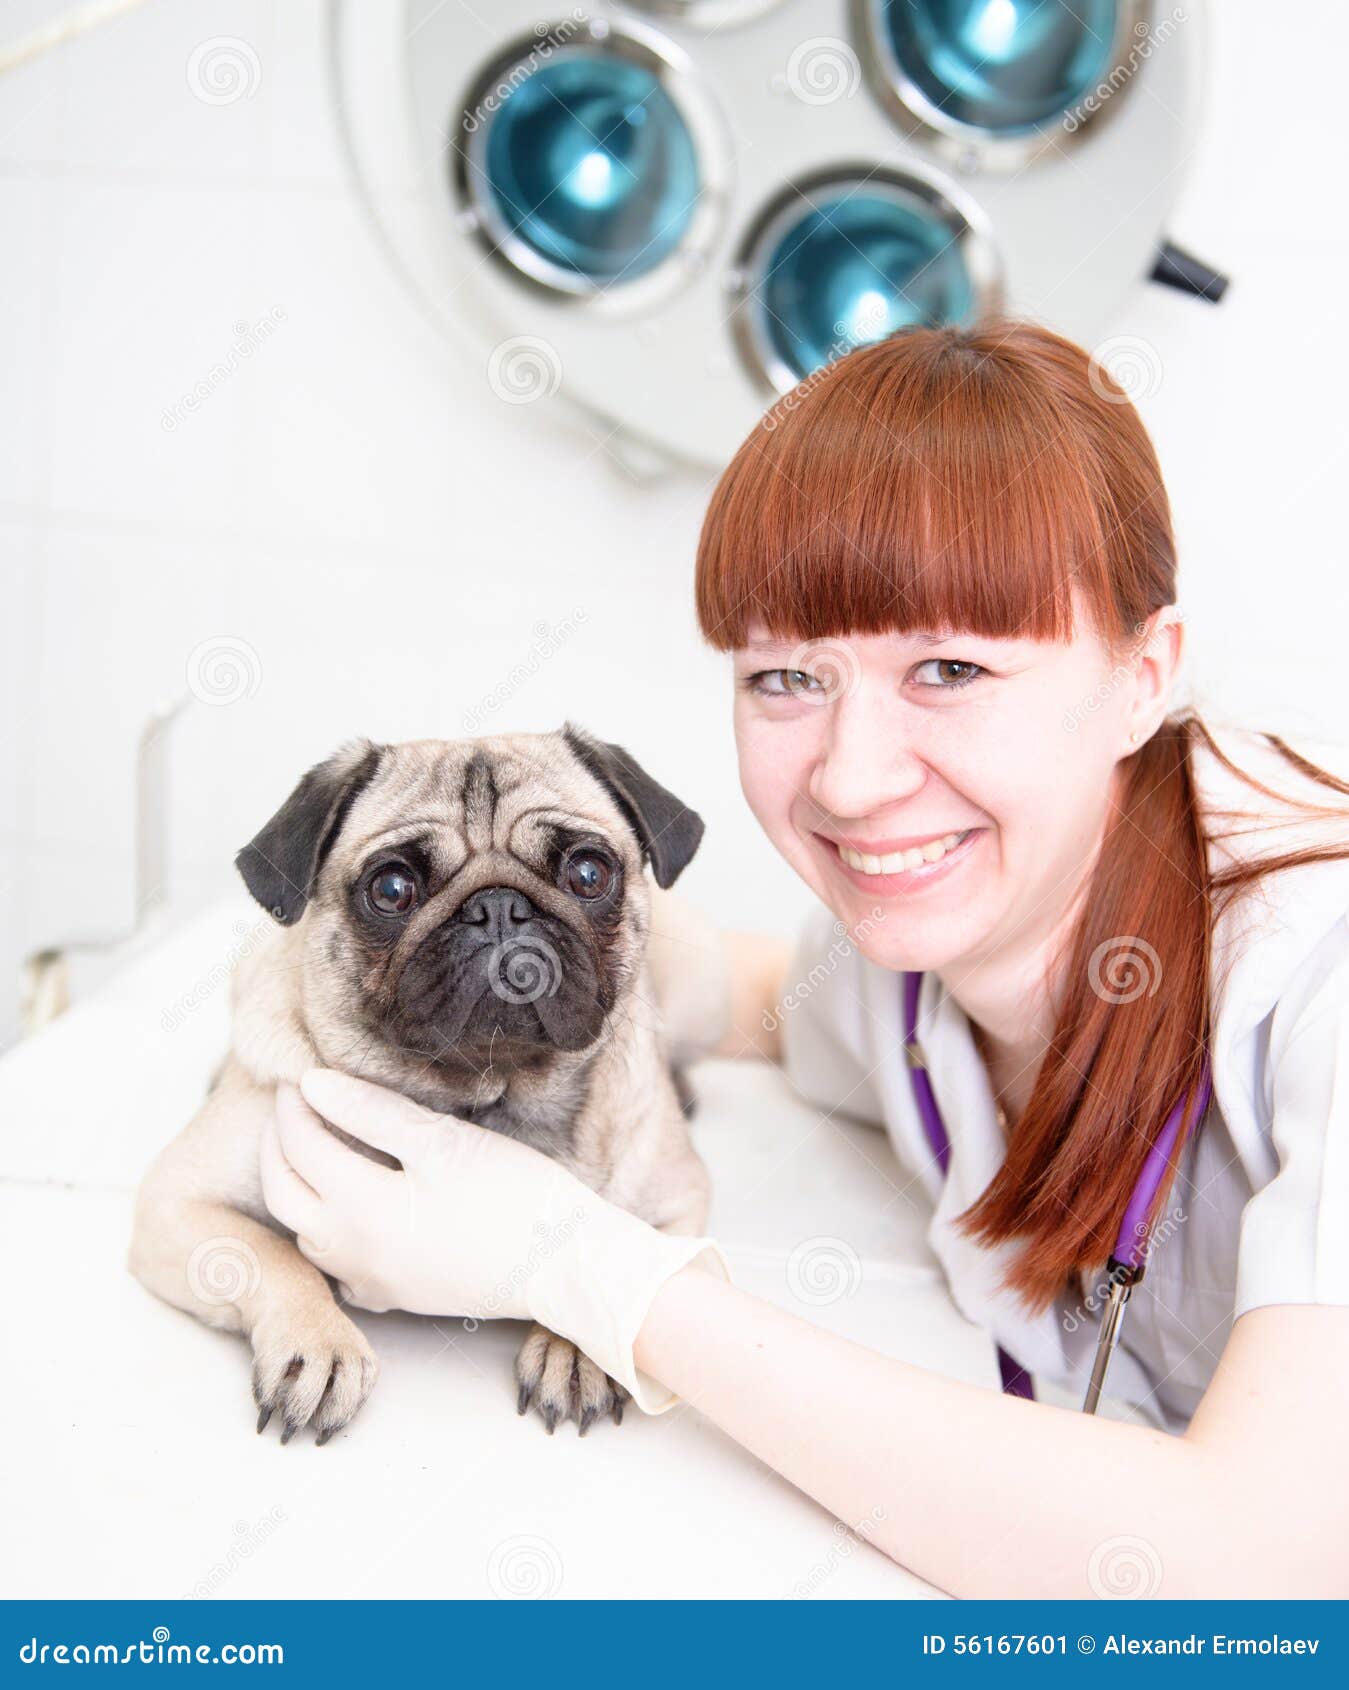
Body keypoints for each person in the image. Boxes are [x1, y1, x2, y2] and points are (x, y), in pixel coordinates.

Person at [261, 320, 1349, 1598]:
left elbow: (1255, 1557)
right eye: (784, 676)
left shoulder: (1314, 977)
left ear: (1140, 677)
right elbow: (758, 996)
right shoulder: (904, 964)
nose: (850, 778)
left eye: (949, 666)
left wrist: (581, 1265)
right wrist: (477, 954)